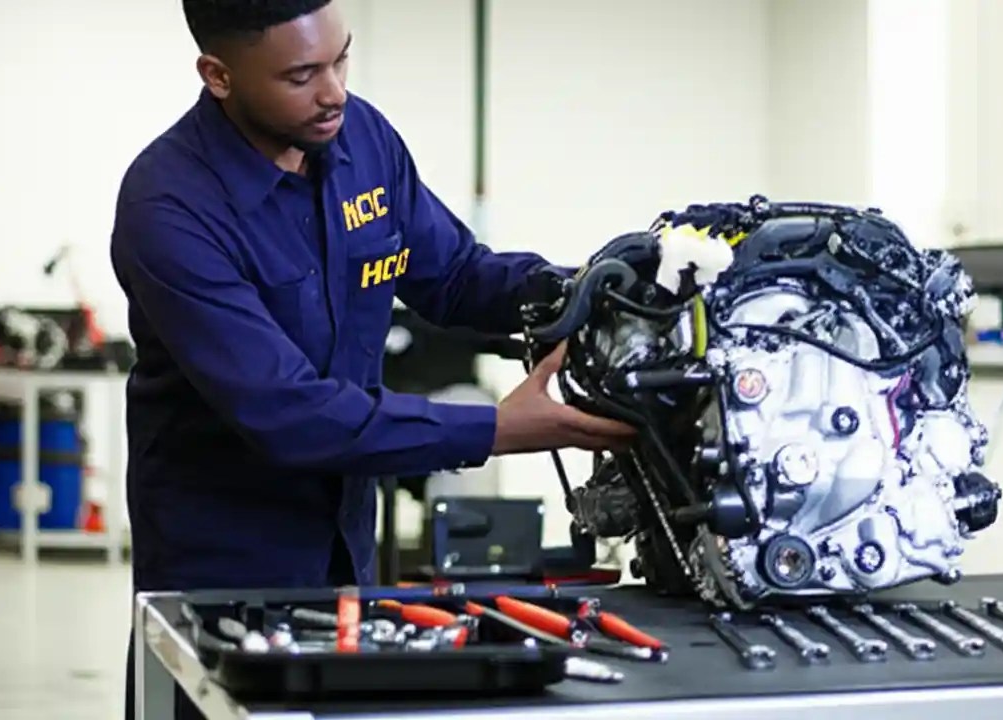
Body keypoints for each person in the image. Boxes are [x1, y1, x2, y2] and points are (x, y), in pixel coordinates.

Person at [111, 1, 634, 716]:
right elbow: (288, 413)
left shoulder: (363, 141)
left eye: (340, 60)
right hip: (221, 565)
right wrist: (499, 429)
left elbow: (452, 276)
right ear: (218, 75)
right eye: (301, 75)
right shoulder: (170, 206)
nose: (334, 92)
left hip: (347, 548)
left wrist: (588, 292)